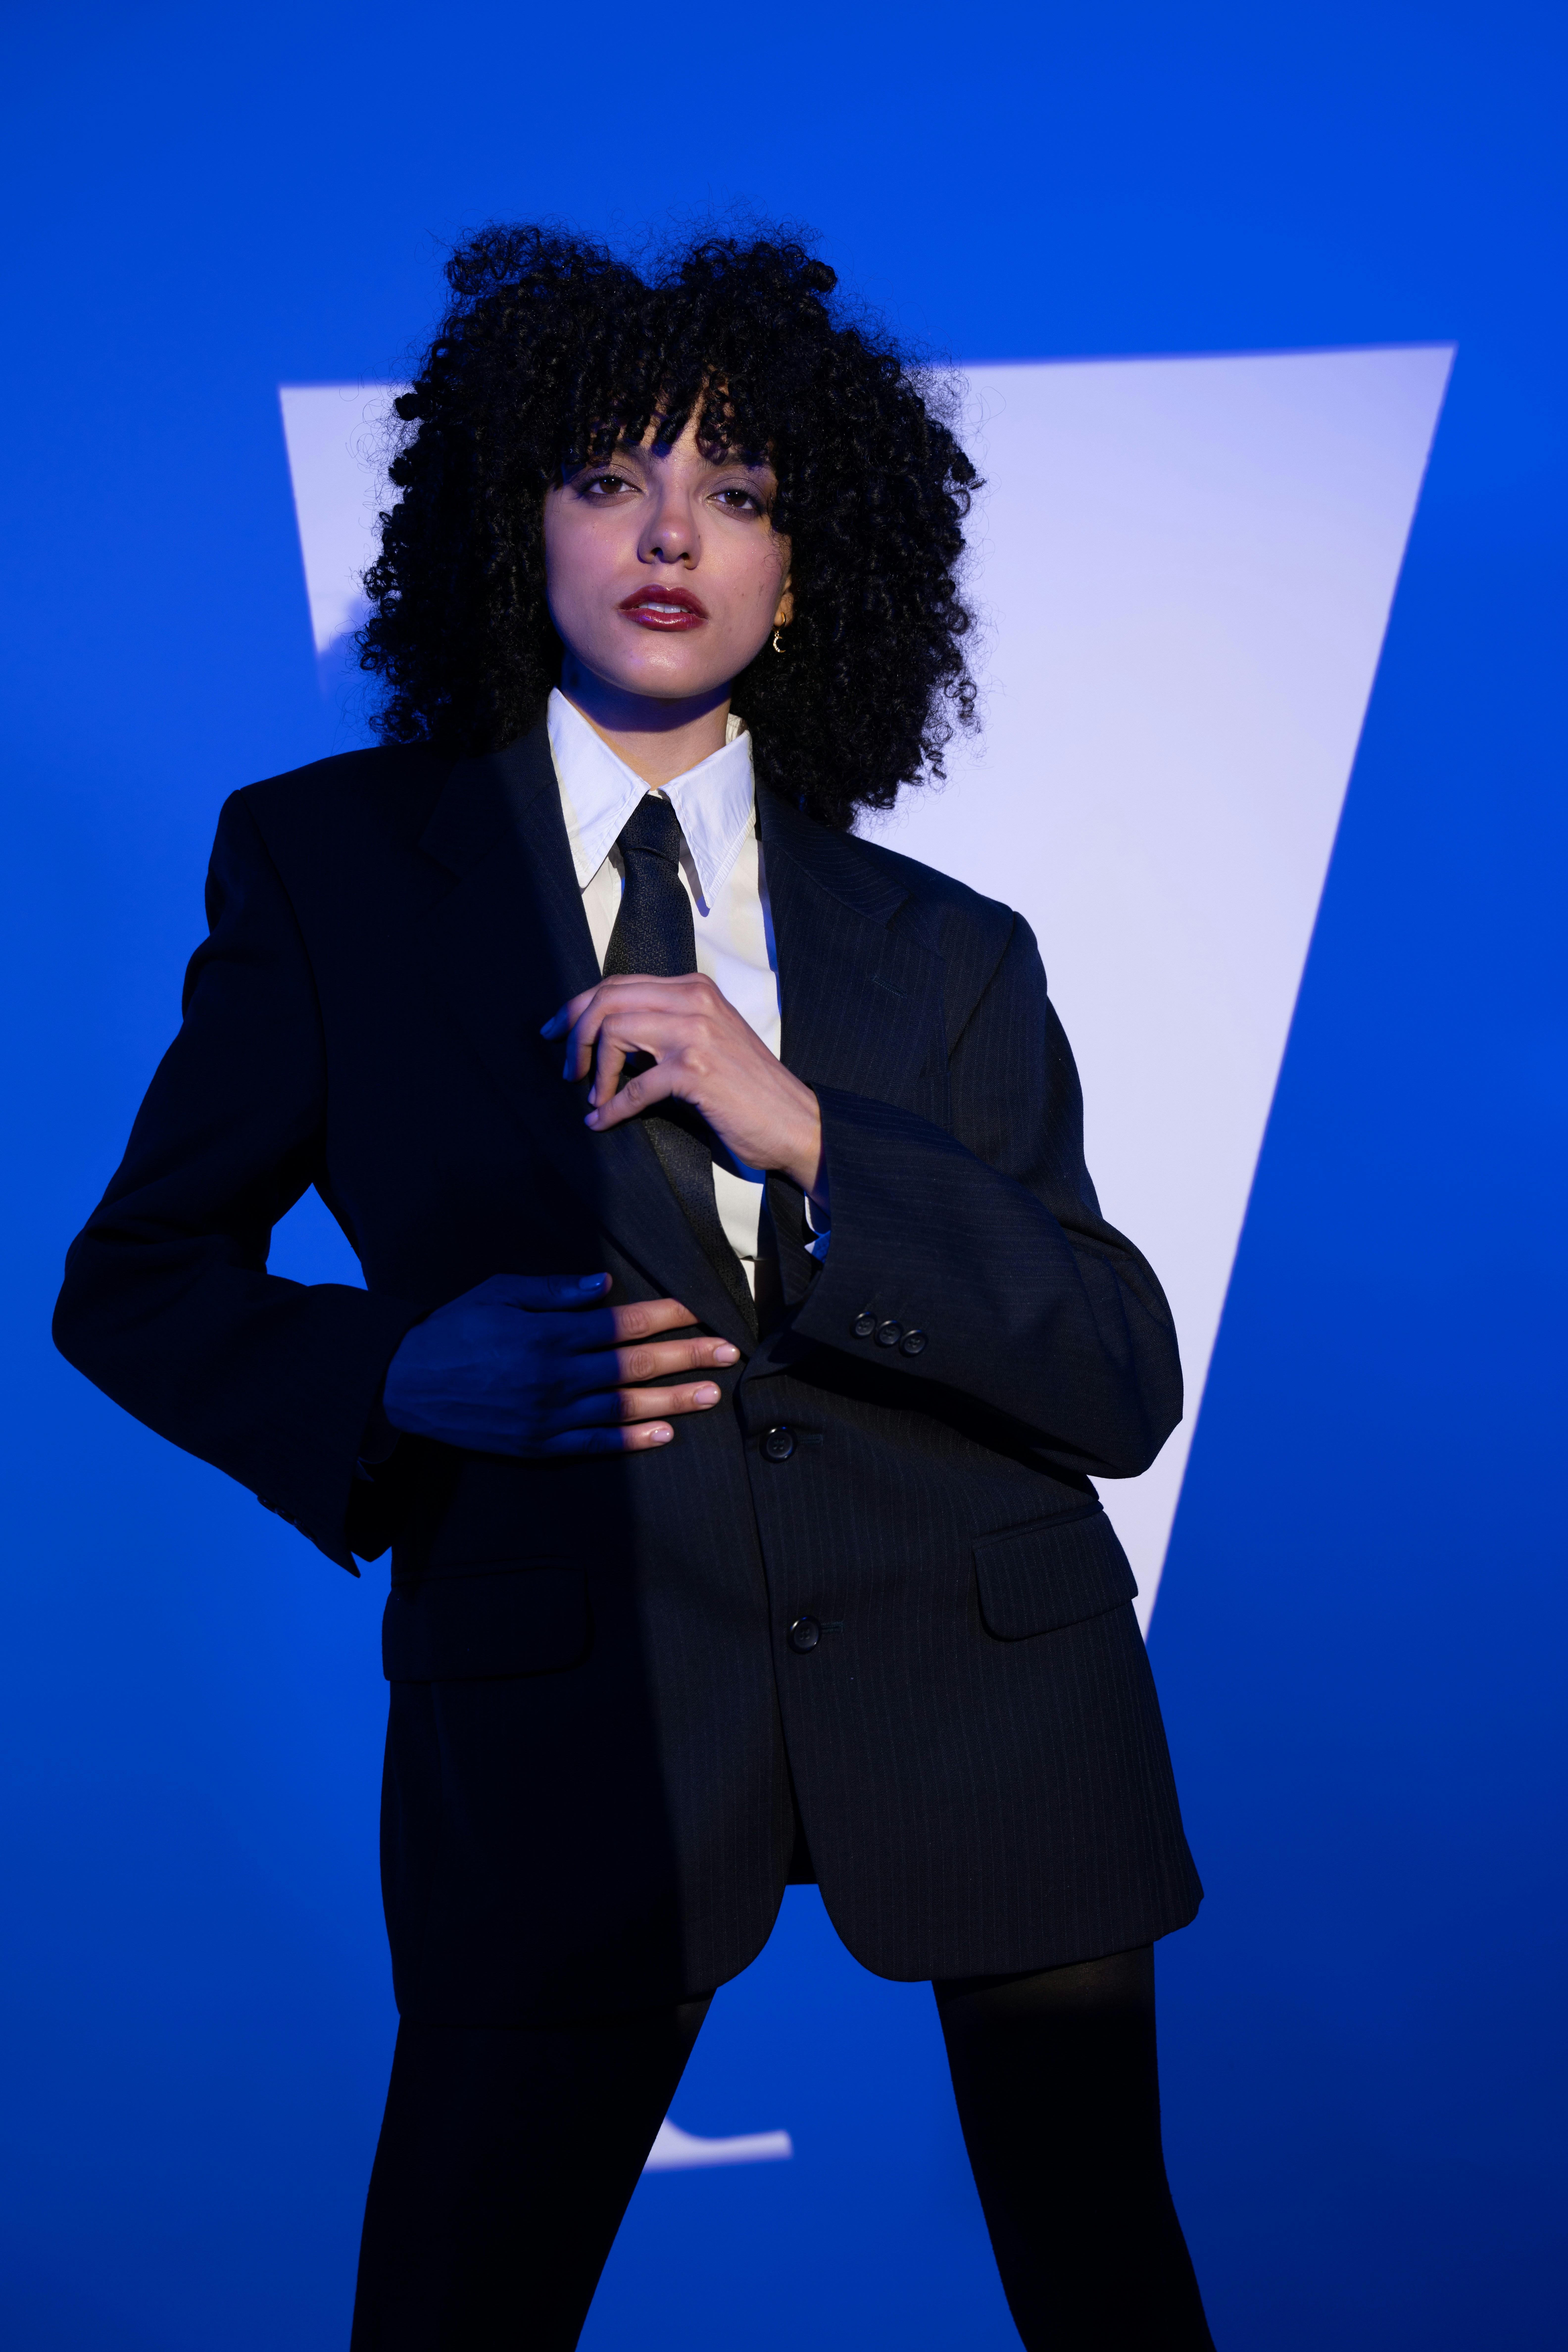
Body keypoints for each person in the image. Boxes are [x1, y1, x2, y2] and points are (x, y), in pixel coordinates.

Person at [53, 224, 1213, 2349]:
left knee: (1111, 2297)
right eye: (610, 475)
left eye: (744, 491)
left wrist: (819, 1137)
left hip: (993, 1700)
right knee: (454, 2310)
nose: (677, 531)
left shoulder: (947, 944)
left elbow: (1117, 1372)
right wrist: (406, 1371)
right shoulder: (330, 868)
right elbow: (133, 1281)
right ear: (518, 528)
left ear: (808, 566)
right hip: (573, 1714)